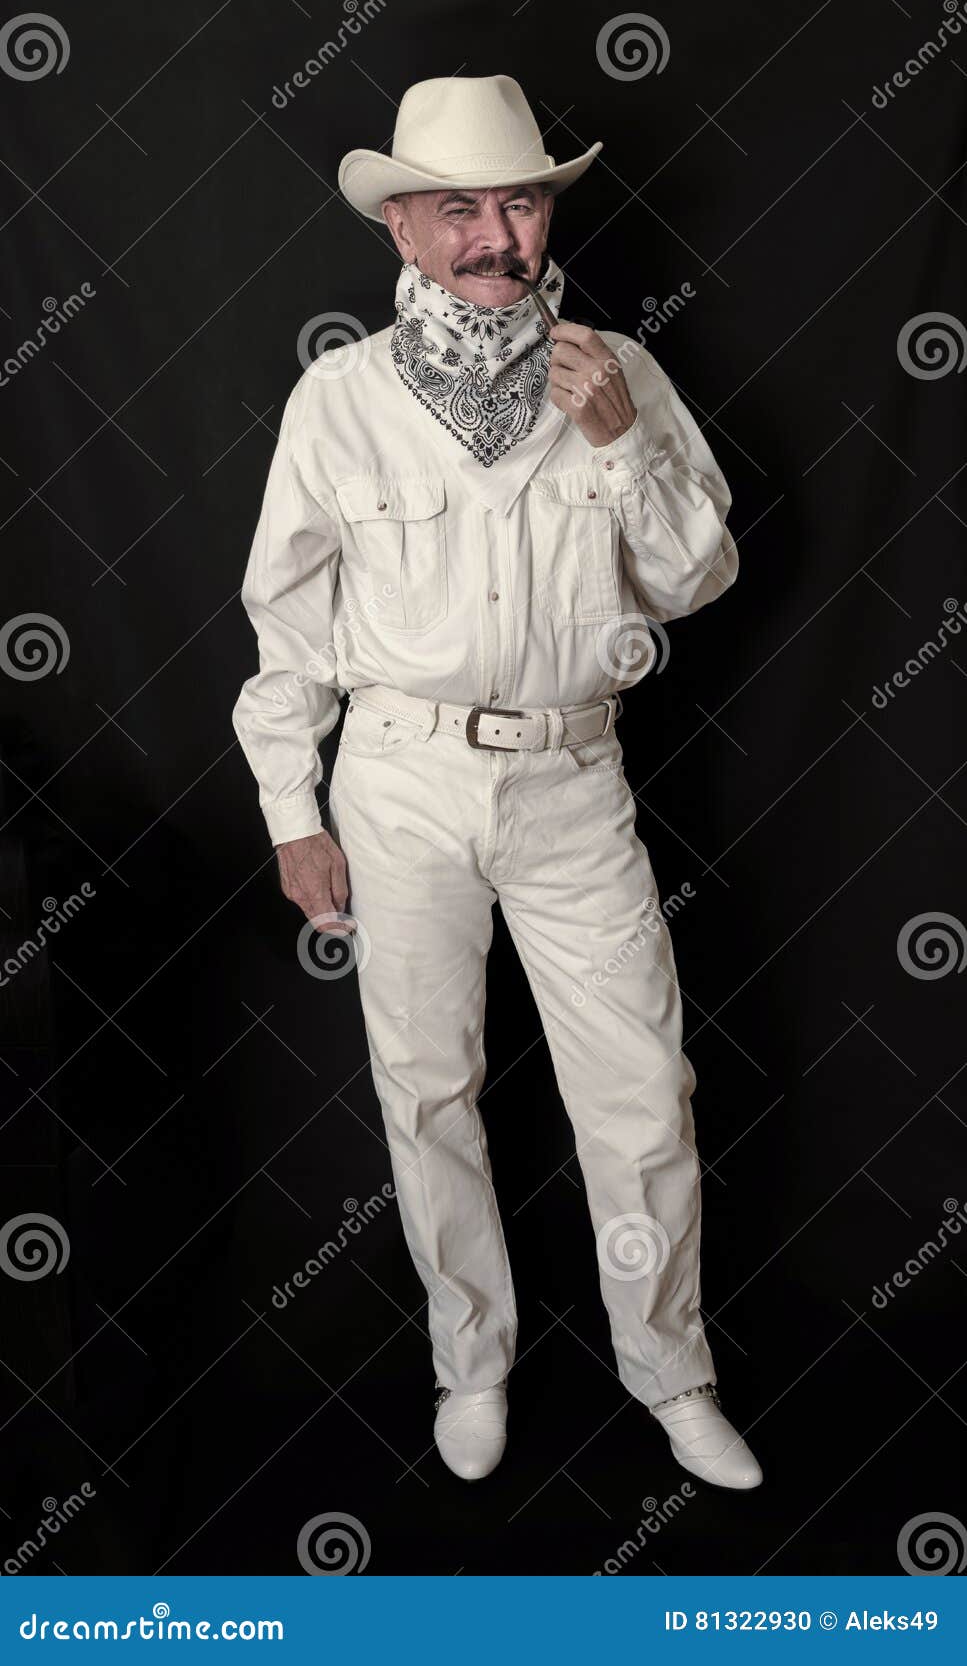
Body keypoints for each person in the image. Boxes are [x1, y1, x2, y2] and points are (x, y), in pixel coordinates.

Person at [232, 74, 762, 1490]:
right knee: (428, 1090)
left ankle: (673, 1371)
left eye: (517, 200)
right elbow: (286, 619)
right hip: (398, 780)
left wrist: (624, 444)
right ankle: (471, 1361)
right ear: (403, 227)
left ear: (547, 212)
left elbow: (699, 578)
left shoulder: (621, 375)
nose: (492, 235)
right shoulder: (337, 399)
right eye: (456, 206)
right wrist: (293, 806)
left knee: (644, 1088)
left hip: (574, 778)